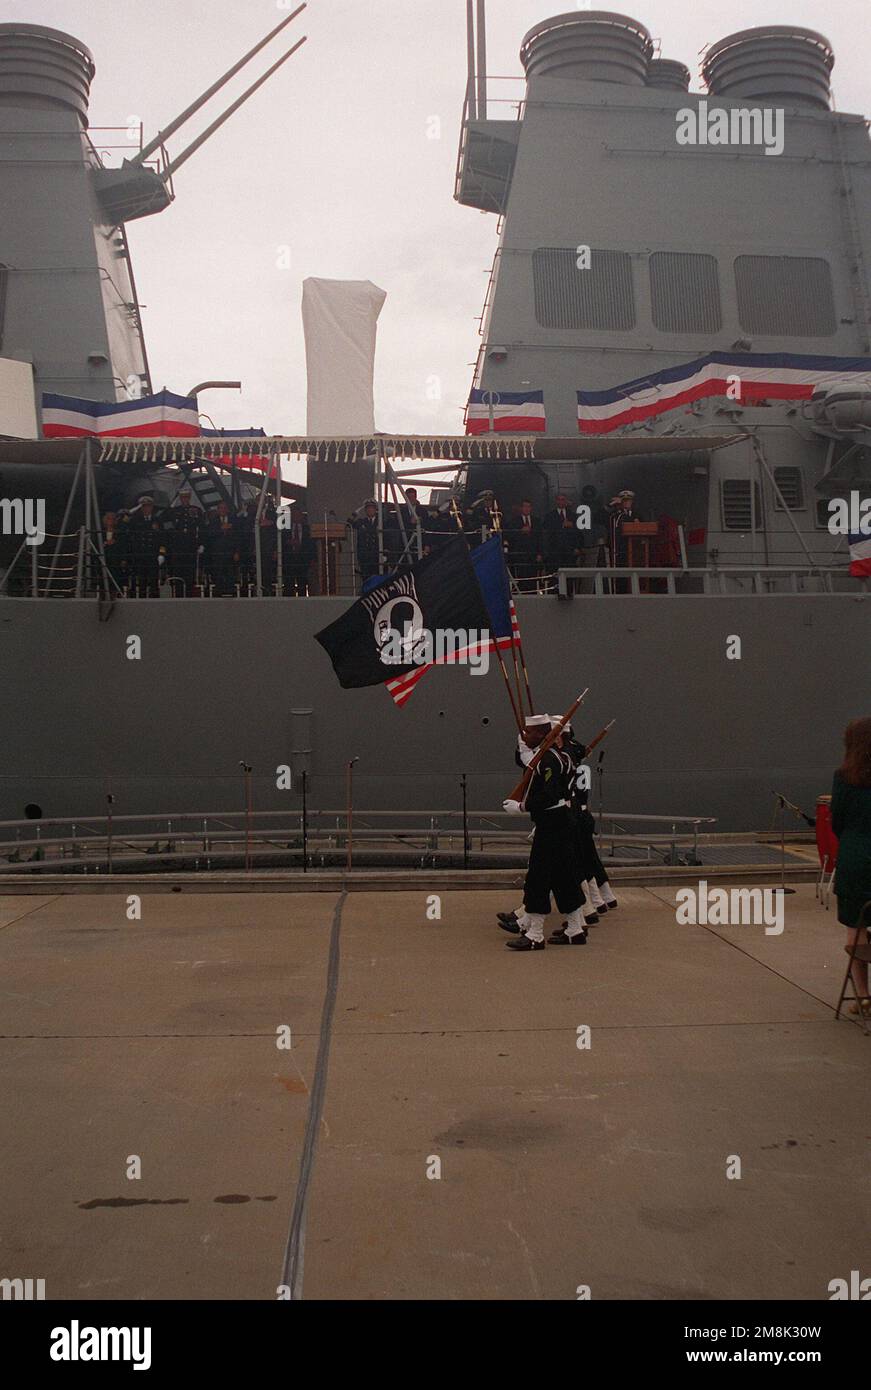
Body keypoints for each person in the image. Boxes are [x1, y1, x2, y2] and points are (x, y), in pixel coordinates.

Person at [501, 713, 588, 950]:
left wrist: (522, 807)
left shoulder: (548, 760)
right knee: (564, 878)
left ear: (540, 733)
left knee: (538, 878)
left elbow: (549, 795)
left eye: (528, 733)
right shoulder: (557, 755)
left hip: (551, 824)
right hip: (561, 822)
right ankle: (575, 929)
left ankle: (535, 935)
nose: (525, 736)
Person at [831, 718, 871, 1016]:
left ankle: (863, 996)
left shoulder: (844, 777)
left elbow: (837, 821)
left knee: (855, 927)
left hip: (856, 859)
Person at [126, 495, 166, 597]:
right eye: (143, 506)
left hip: (153, 555)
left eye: (148, 506)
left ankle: (155, 601)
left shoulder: (157, 520)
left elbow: (163, 539)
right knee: (142, 581)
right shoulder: (135, 520)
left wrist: (161, 553)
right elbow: (124, 524)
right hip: (140, 555)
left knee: (153, 581)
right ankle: (142, 600)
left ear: (152, 507)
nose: (146, 508)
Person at [167, 486, 202, 597]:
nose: (185, 499)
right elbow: (167, 525)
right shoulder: (174, 511)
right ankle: (178, 595)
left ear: (189, 498)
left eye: (187, 497)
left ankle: (189, 594)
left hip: (191, 545)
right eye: (183, 497)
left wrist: (201, 543)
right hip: (178, 546)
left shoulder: (196, 510)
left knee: (190, 572)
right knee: (178, 572)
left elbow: (201, 527)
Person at [542, 492, 580, 591]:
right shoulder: (549, 516)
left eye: (563, 499)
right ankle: (555, 592)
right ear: (556, 501)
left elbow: (578, 533)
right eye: (559, 499)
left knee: (569, 575)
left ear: (566, 501)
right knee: (556, 575)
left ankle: (570, 592)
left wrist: (576, 547)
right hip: (555, 551)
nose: (561, 502)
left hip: (569, 551)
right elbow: (547, 534)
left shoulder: (573, 516)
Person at [505, 498, 542, 588]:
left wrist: (540, 553)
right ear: (521, 508)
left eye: (528, 506)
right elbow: (510, 537)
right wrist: (520, 531)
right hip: (520, 556)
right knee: (521, 582)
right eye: (524, 506)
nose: (526, 509)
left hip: (533, 556)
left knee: (532, 581)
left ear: (531, 508)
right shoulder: (513, 522)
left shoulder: (537, 521)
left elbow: (540, 538)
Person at [281, 504, 314, 596]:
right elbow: (281, 543)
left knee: (302, 584)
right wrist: (288, 543)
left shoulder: (307, 529)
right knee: (288, 584)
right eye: (294, 514)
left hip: (302, 560)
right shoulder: (285, 529)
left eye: (297, 514)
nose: (296, 516)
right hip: (289, 559)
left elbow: (311, 545)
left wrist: (311, 559)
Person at [351, 500, 382, 584]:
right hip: (365, 555)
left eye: (372, 508)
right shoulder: (362, 522)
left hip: (377, 555)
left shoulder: (381, 521)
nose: (370, 510)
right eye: (367, 509)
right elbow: (349, 523)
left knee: (377, 577)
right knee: (366, 578)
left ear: (375, 510)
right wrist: (356, 512)